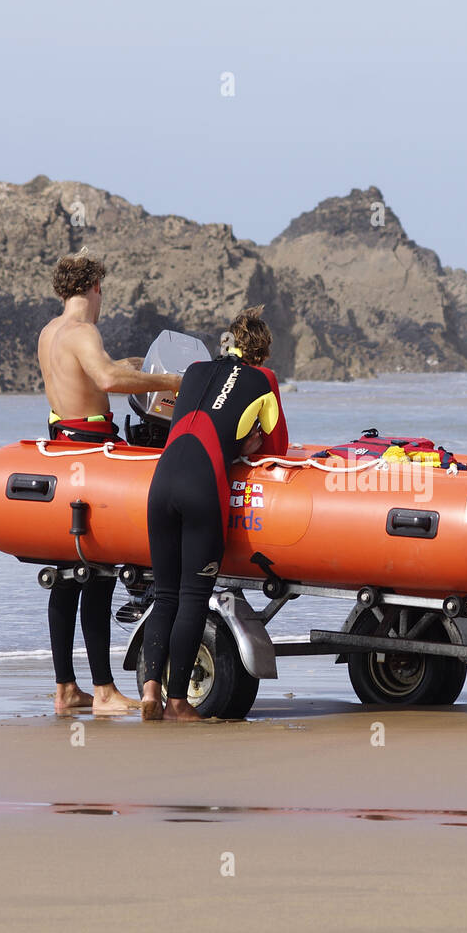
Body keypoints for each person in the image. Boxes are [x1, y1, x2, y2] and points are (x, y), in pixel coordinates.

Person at [37, 248, 183, 715]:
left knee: (66, 574)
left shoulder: (50, 332)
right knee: (98, 573)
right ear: (95, 287)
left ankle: (65, 690)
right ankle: (103, 692)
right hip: (91, 452)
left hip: (61, 448)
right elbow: (104, 379)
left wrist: (129, 365)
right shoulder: (84, 331)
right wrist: (173, 383)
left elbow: (88, 375)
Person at [140, 305, 288, 721]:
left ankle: (150, 687)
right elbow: (276, 448)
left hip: (161, 482)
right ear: (263, 351)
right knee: (192, 596)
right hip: (202, 488)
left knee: (165, 595)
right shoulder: (264, 380)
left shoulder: (195, 371)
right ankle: (177, 704)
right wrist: (247, 447)